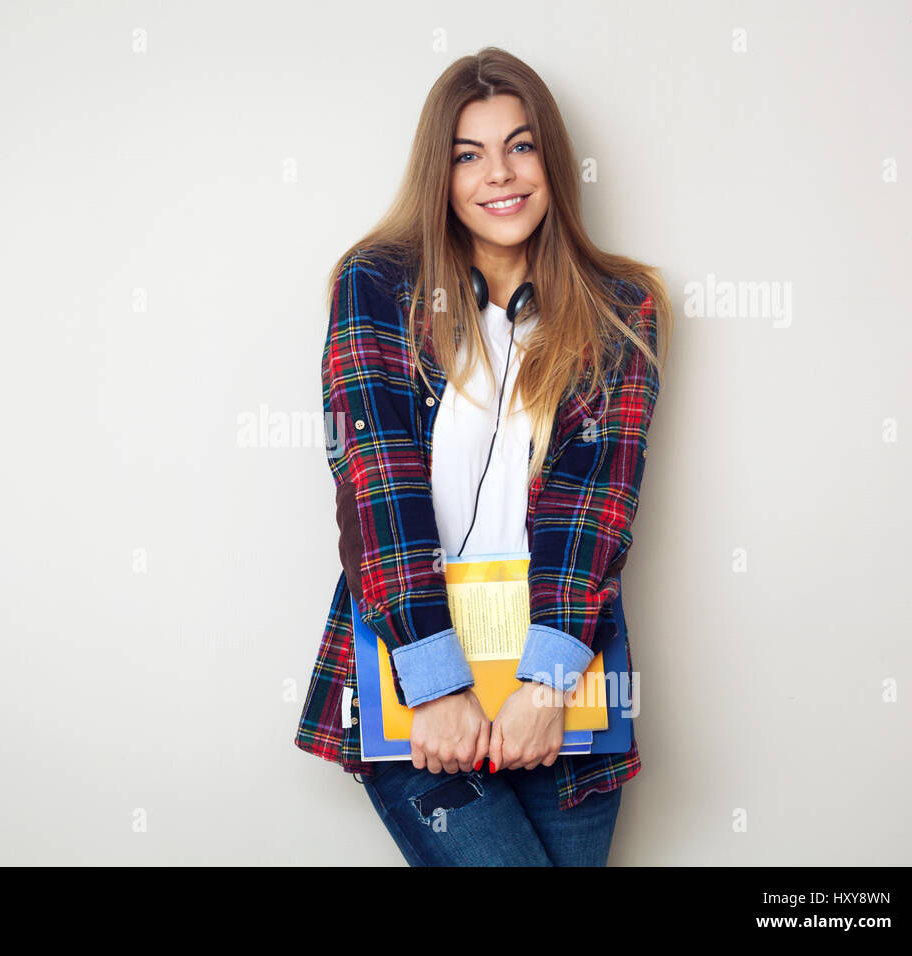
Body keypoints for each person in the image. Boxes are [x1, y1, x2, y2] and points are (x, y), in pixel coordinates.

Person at [293, 46, 674, 866]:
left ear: (553, 160)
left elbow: (598, 505)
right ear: (442, 172)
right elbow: (374, 487)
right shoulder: (378, 287)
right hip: (414, 677)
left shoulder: (620, 307)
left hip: (563, 683)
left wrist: (546, 686)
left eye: (522, 145)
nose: (500, 174)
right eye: (469, 154)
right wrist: (433, 684)